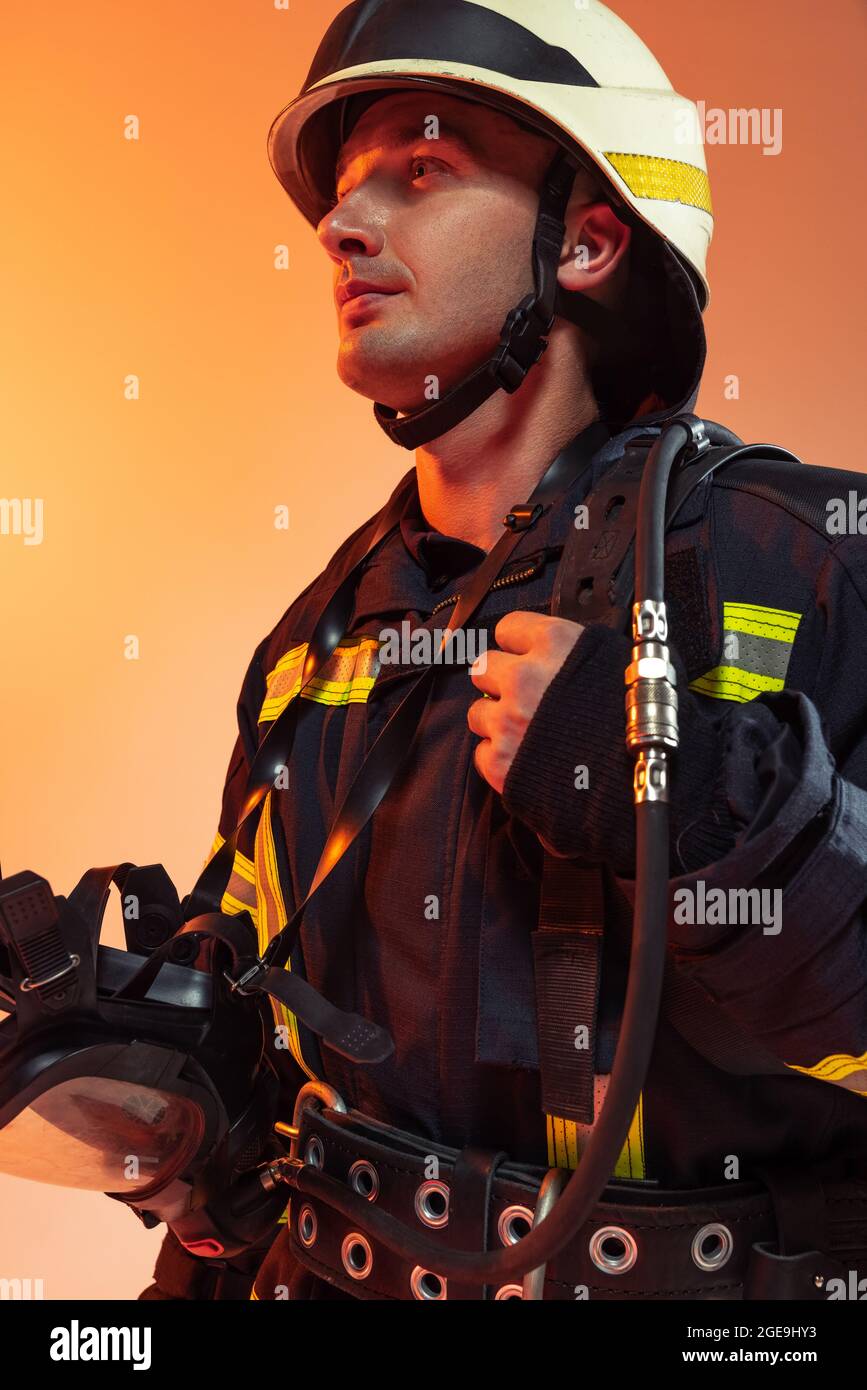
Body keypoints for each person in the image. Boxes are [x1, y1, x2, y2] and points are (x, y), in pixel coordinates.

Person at [141, 0, 867, 1301]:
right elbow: (258, 1023)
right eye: (345, 189)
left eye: (419, 169)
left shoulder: (807, 568)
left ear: (587, 239)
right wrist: (160, 1072)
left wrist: (681, 792)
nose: (341, 226)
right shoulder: (315, 644)